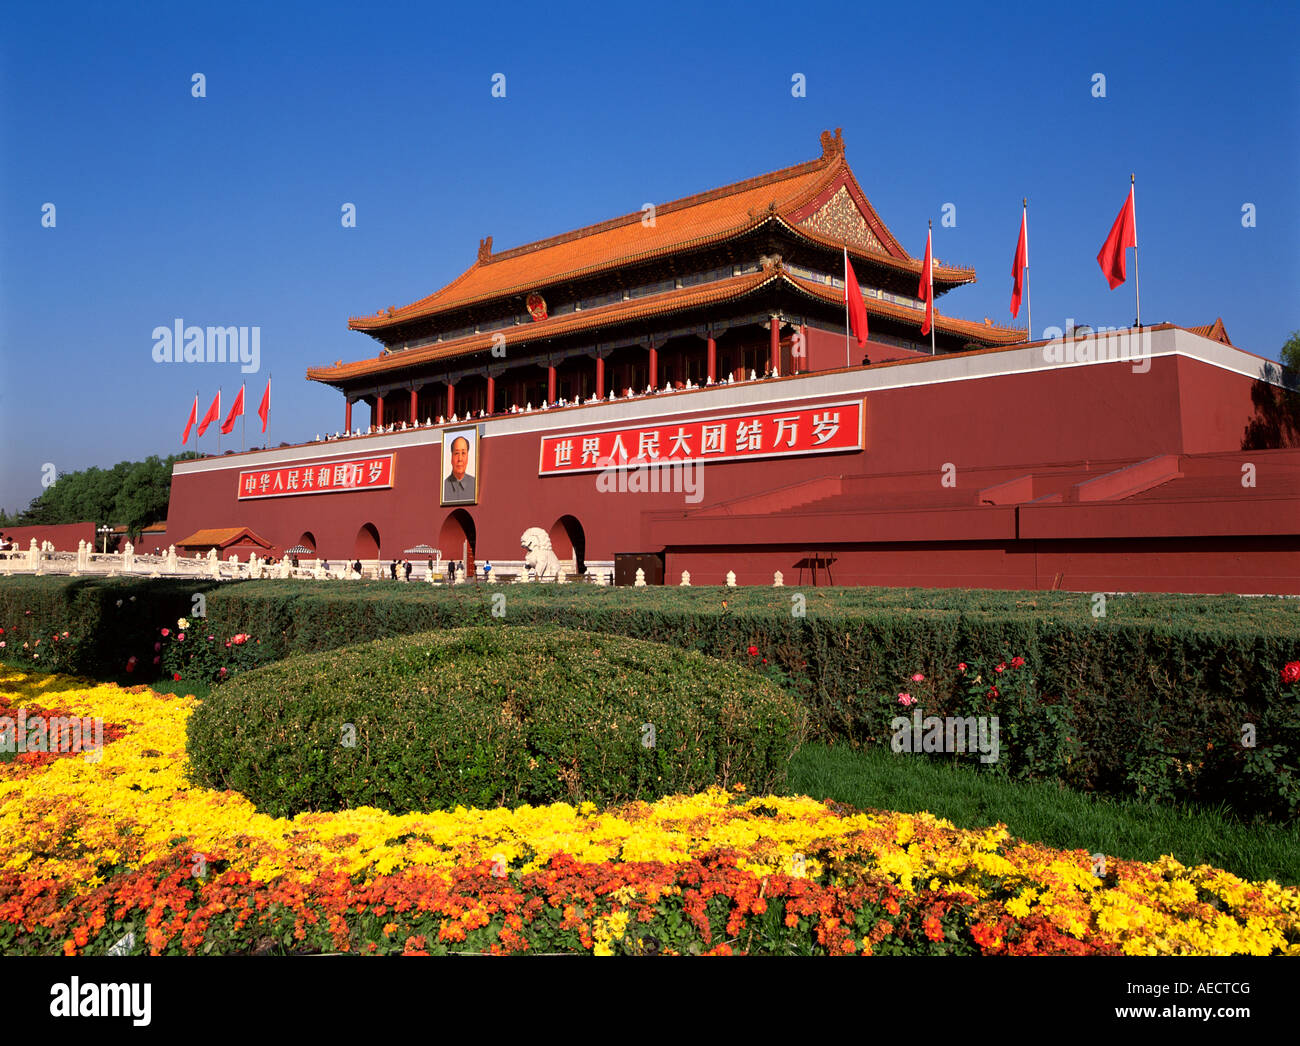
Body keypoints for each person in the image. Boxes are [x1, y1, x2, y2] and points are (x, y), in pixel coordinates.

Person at [443, 435, 476, 503]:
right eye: (456, 453)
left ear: (468, 457)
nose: (460, 459)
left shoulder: (475, 484)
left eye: (463, 453)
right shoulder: (444, 487)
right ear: (451, 457)